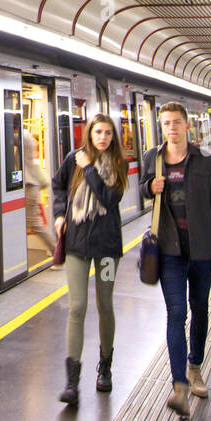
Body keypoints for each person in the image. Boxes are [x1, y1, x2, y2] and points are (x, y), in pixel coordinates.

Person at [140, 101, 211, 418]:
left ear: (187, 125)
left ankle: (195, 367)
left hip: (203, 249)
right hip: (169, 251)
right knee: (176, 312)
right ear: (161, 126)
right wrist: (150, 187)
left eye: (177, 122)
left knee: (199, 310)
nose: (172, 128)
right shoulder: (153, 159)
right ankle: (179, 385)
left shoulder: (204, 160)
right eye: (166, 123)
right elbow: (142, 191)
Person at [52, 113, 128, 404]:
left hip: (107, 247)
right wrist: (59, 215)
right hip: (77, 244)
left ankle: (105, 368)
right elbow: (58, 185)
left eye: (108, 133)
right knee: (77, 307)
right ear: (89, 133)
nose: (103, 138)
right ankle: (72, 383)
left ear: (113, 137)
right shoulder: (74, 159)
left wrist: (92, 170)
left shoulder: (119, 164)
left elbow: (109, 199)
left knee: (105, 304)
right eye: (98, 132)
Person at [23, 129, 55, 255]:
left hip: (30, 185)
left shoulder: (24, 137)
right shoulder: (28, 137)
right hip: (30, 185)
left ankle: (56, 251)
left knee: (35, 223)